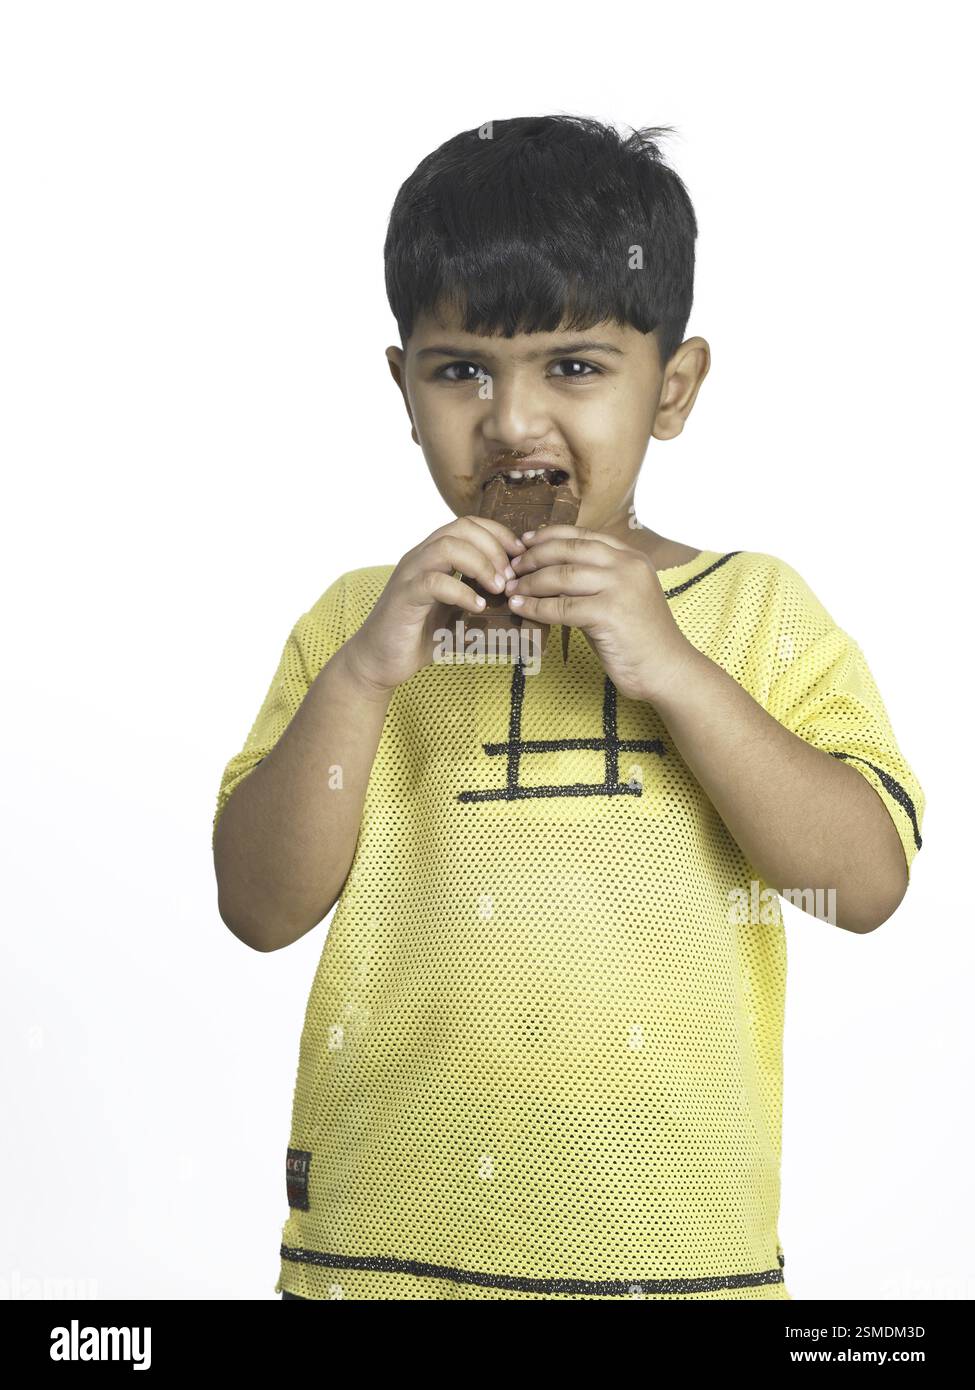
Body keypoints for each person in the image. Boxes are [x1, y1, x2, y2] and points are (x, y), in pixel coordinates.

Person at [212, 116, 925, 1301]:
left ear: (675, 388)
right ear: (404, 387)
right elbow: (256, 907)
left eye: (576, 367)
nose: (512, 420)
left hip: (675, 1263)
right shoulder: (356, 623)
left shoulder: (755, 609)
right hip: (382, 1260)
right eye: (461, 370)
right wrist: (364, 677)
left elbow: (862, 887)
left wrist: (677, 669)